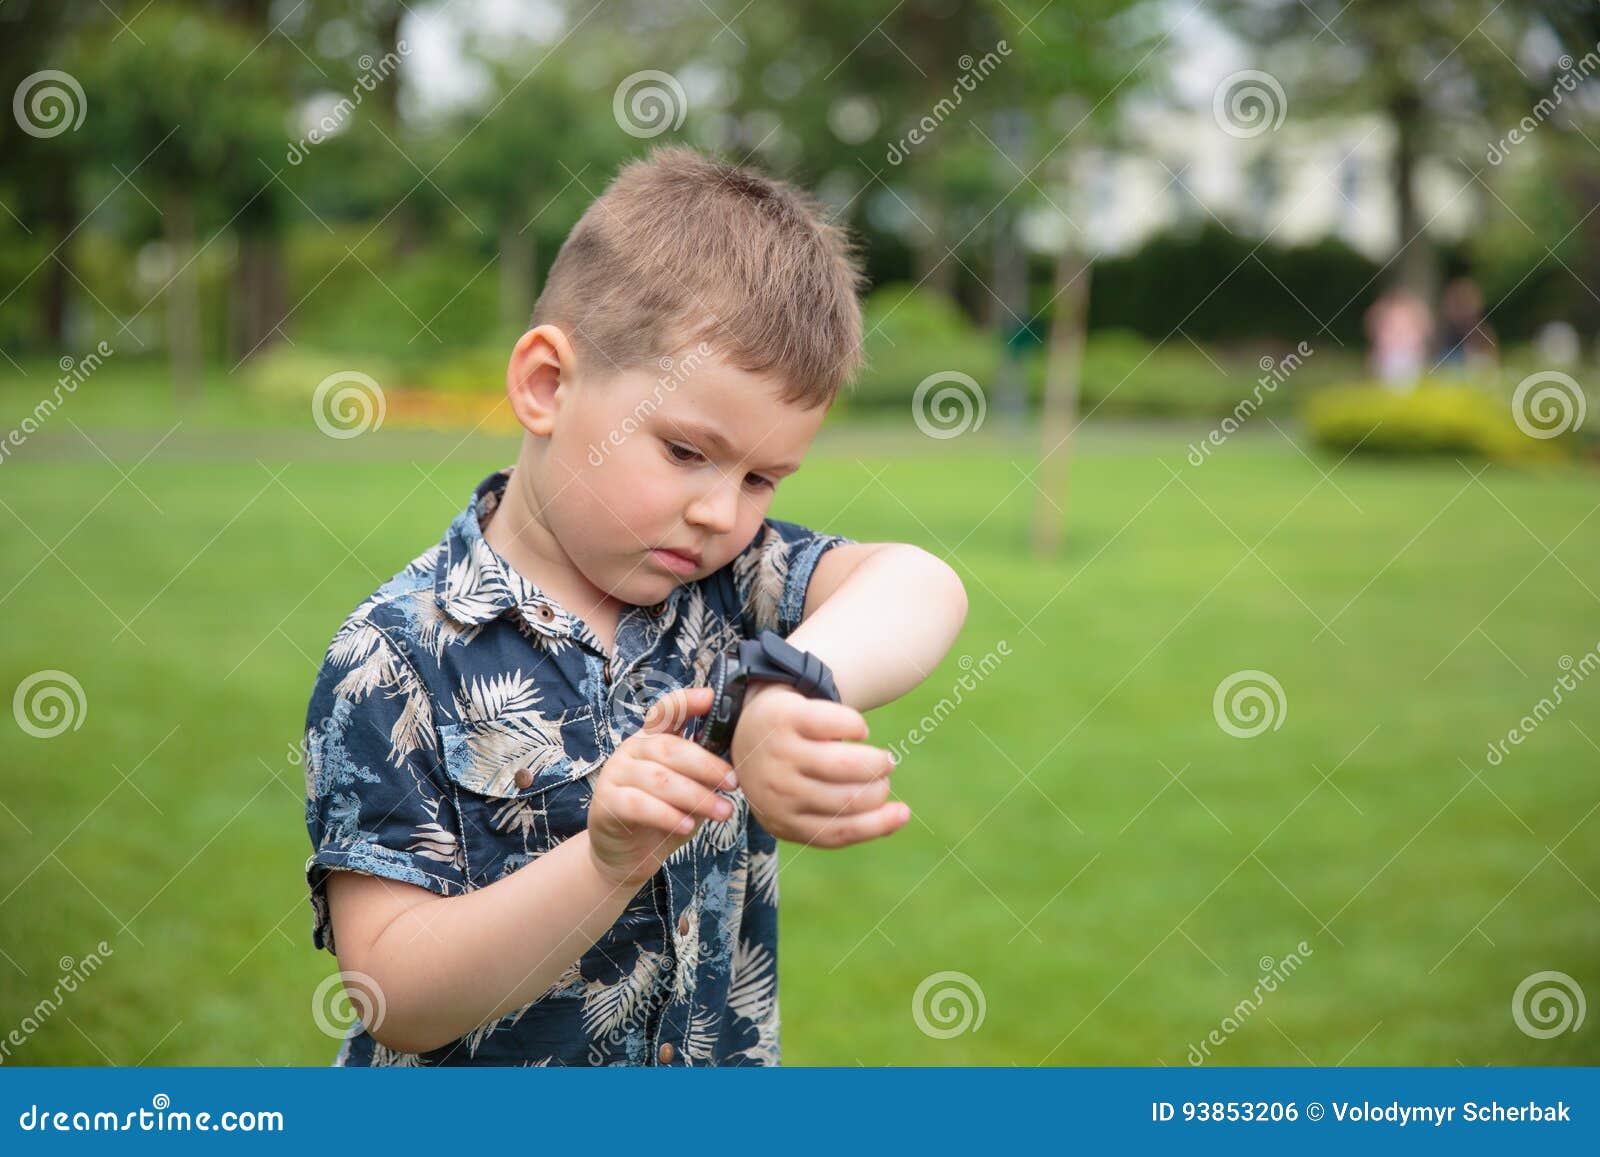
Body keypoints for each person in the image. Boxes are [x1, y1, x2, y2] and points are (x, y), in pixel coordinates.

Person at [300, 146, 969, 1066]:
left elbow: (924, 584)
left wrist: (785, 686)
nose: (720, 511)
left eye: (762, 477)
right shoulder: (398, 654)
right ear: (546, 384)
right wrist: (604, 863)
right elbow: (397, 996)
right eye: (688, 452)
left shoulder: (736, 591)